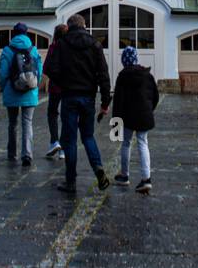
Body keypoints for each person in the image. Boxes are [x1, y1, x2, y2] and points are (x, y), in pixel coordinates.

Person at [47, 12, 111, 194]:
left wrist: (63, 83)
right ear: (84, 25)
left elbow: (51, 68)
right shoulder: (95, 44)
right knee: (88, 136)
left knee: (70, 139)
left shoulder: (62, 44)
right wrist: (105, 103)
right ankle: (98, 167)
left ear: (70, 26)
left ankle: (71, 181)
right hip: (88, 97)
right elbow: (104, 75)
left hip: (69, 96)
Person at [112, 45, 158, 194]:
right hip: (144, 115)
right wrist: (149, 109)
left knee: (126, 144)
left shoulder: (122, 77)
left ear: (124, 61)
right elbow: (155, 96)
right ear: (137, 59)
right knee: (143, 143)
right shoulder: (147, 75)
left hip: (127, 117)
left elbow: (117, 102)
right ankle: (146, 179)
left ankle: (125, 175)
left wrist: (115, 127)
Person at [0, 22, 42, 167]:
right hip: (30, 92)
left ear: (14, 33)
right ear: (26, 33)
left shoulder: (7, 50)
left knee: (12, 124)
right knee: (27, 123)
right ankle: (27, 155)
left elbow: (3, 73)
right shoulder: (33, 50)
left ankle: (12, 154)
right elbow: (39, 73)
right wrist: (34, 86)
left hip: (12, 91)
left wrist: (3, 87)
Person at [42, 23, 68, 160]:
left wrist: (54, 77)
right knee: (66, 116)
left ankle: (54, 141)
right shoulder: (71, 48)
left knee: (52, 113)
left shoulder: (54, 47)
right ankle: (63, 148)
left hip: (55, 87)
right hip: (68, 87)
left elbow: (45, 68)